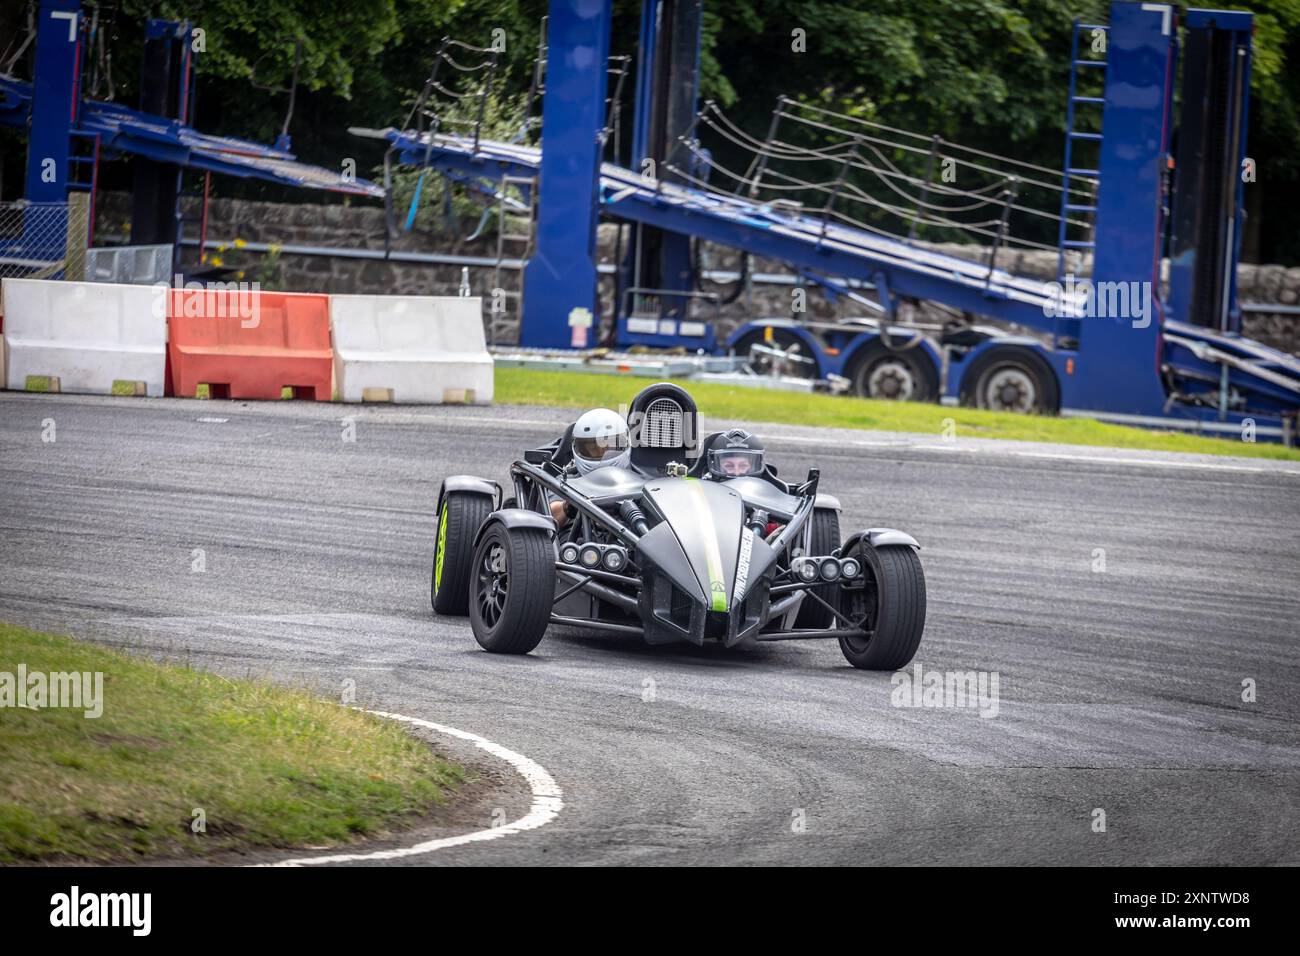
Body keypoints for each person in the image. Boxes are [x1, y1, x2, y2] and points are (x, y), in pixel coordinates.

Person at [549, 408, 631, 522]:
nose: (602, 452)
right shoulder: (568, 480)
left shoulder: (636, 477)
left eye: (609, 445)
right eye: (593, 447)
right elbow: (550, 515)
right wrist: (569, 506)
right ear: (579, 448)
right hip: (580, 537)